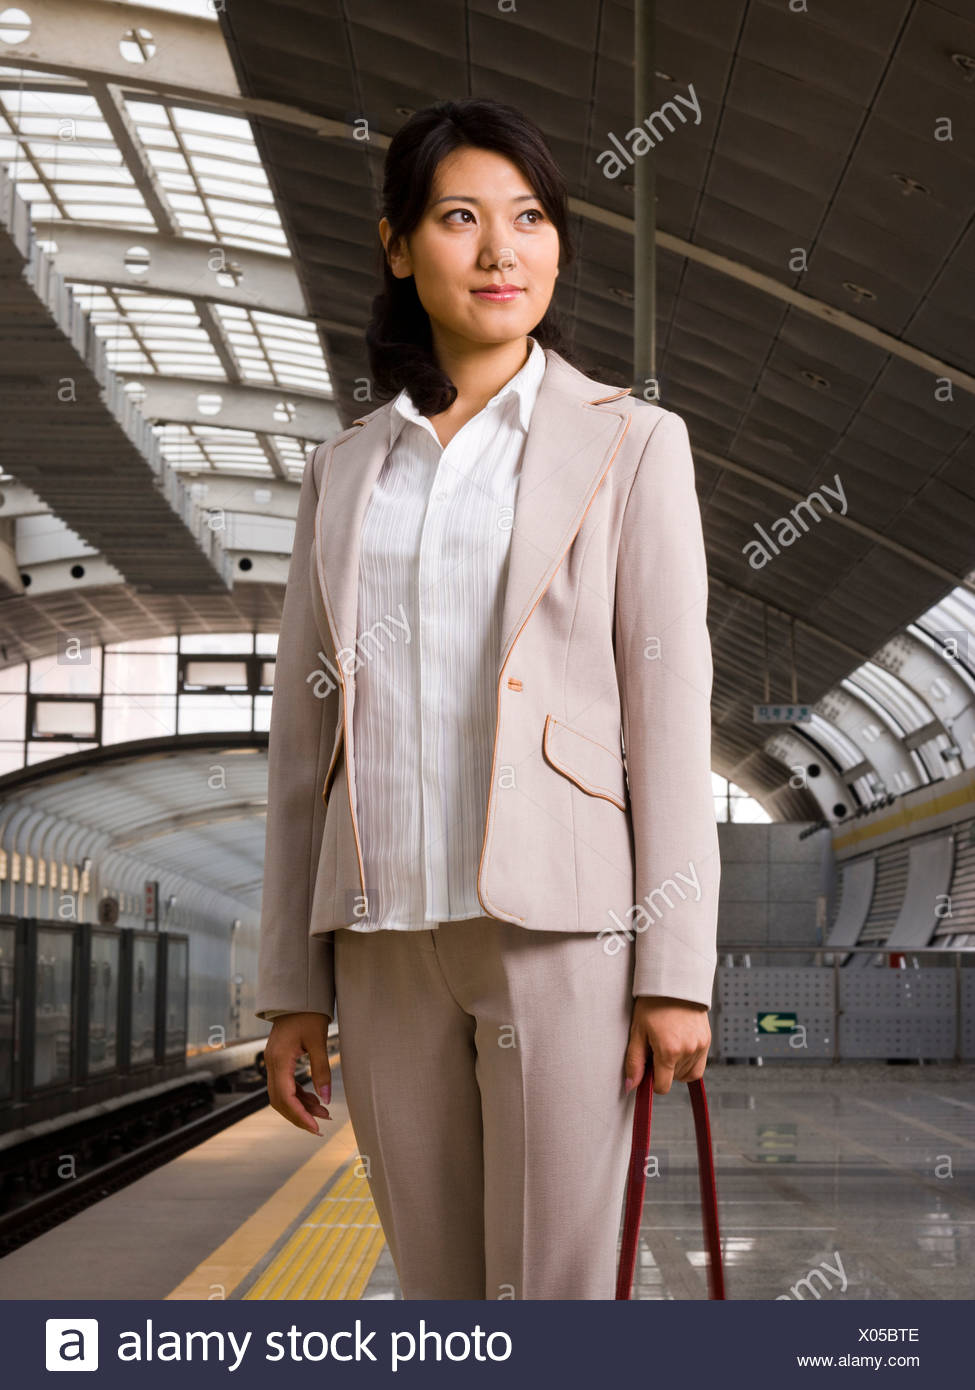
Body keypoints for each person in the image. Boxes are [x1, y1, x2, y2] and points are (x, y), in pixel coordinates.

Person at [255, 97, 719, 1300]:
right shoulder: (345, 470)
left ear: (559, 243)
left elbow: (669, 722)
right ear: (400, 247)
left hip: (561, 931)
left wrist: (674, 969)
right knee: (439, 1292)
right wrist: (292, 988)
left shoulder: (632, 445)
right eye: (460, 218)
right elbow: (306, 744)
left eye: (528, 218)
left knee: (558, 1289)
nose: (501, 250)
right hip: (383, 934)